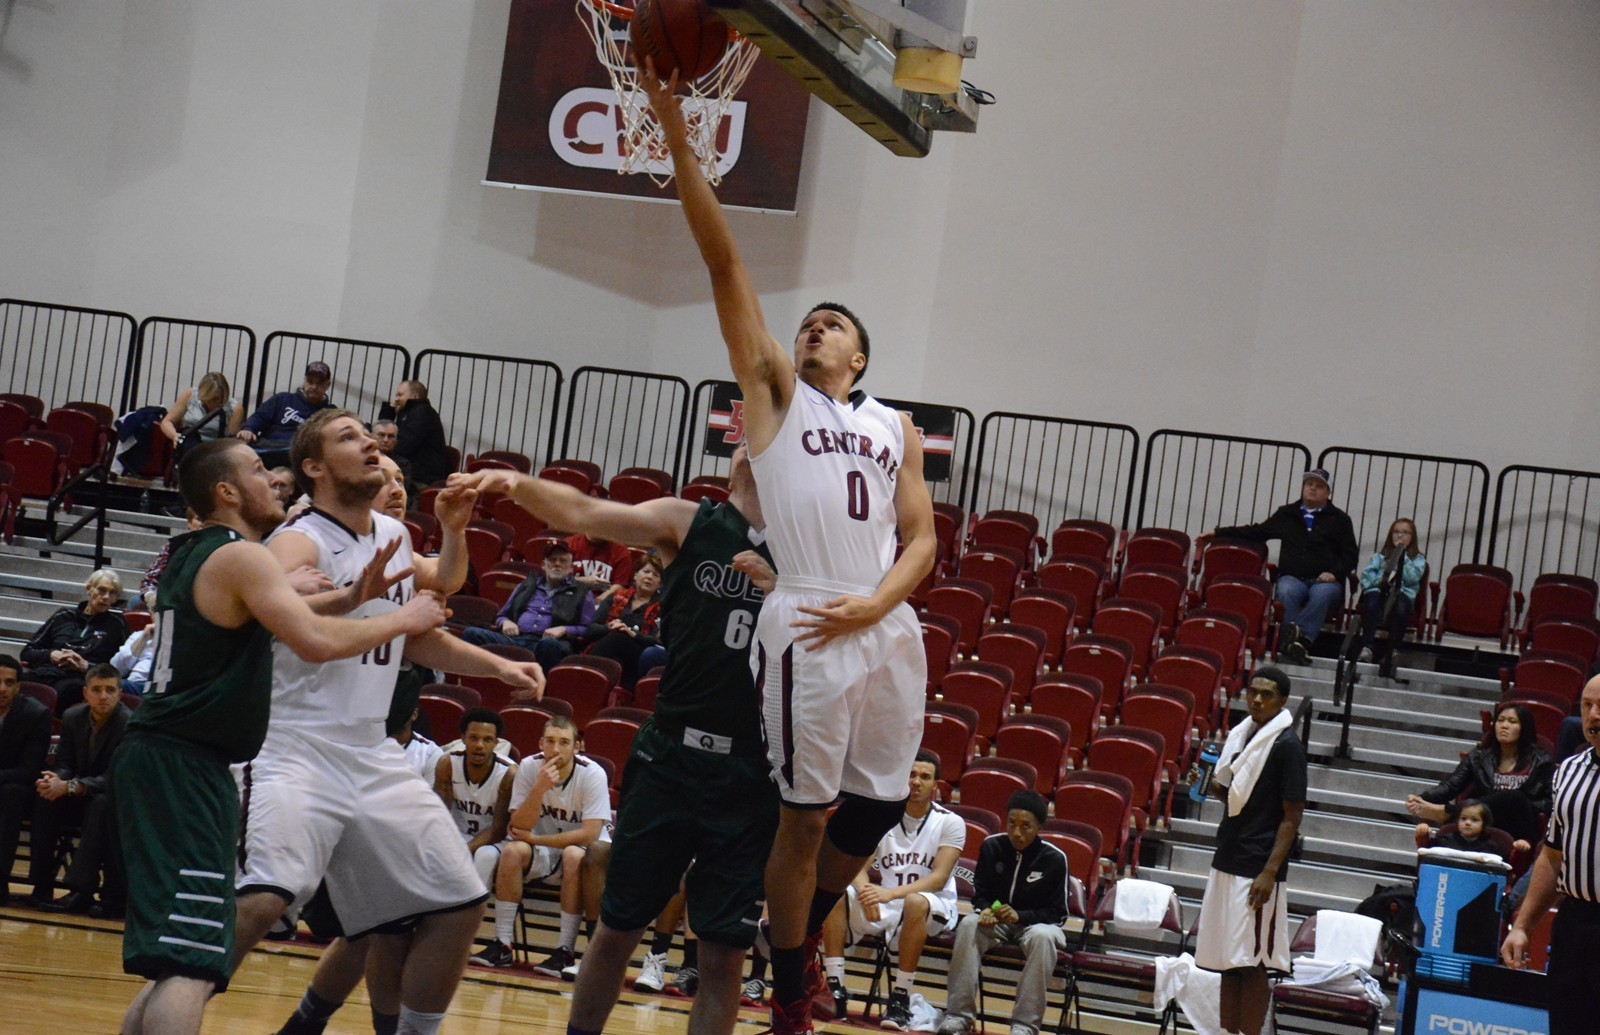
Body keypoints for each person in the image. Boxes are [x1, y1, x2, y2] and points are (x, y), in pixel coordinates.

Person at [641, 65, 937, 1035]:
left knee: (876, 806)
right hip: (808, 614)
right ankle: (790, 996)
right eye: (809, 321)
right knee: (805, 816)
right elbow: (725, 263)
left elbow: (924, 538)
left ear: (860, 358)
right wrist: (676, 129)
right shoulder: (774, 393)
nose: (816, 327)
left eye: (834, 325)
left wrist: (880, 602)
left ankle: (795, 934)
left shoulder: (894, 425)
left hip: (883, 618)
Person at [110, 437, 452, 1035]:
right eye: (256, 470)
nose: (275, 479)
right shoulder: (242, 556)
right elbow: (313, 642)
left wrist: (352, 597)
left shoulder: (196, 552)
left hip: (171, 758)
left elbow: (282, 612)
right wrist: (403, 618)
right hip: (183, 761)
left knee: (181, 960)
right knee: (193, 965)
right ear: (226, 492)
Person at [229, 410, 544, 1035]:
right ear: (313, 467)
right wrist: (381, 612)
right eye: (349, 437)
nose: (370, 442)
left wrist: (498, 665)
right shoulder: (298, 541)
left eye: (368, 435)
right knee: (264, 900)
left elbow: (430, 606)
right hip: (292, 745)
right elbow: (293, 622)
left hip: (369, 752)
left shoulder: (392, 534)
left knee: (458, 901)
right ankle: (180, 988)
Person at [450, 447, 778, 1035]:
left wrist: (784, 591)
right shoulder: (688, 521)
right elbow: (582, 511)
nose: (754, 446)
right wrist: (516, 484)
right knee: (617, 928)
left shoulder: (809, 548)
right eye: (747, 438)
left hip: (750, 766)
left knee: (723, 953)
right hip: (672, 753)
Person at [1193, 665, 1307, 1035]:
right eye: (1253, 692)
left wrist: (1269, 872)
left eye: (1267, 694)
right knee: (1228, 961)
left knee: (1252, 962)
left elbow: (1292, 816)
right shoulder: (1241, 735)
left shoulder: (1288, 747)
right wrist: (1209, 783)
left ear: (1282, 701)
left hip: (1258, 866)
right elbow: (1236, 799)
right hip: (1228, 856)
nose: (1256, 699)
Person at [823, 750, 964, 1031]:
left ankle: (900, 998)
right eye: (911, 774)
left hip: (934, 905)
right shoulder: (884, 817)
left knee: (915, 901)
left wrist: (890, 894)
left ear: (935, 786)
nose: (916, 781)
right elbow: (857, 866)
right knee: (839, 892)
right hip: (889, 902)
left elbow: (938, 879)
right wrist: (865, 890)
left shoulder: (950, 822)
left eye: (924, 777)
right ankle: (834, 986)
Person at [468, 714, 610, 977]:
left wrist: (535, 839)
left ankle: (564, 950)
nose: (556, 749)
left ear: (577, 747)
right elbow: (518, 824)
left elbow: (589, 835)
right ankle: (502, 944)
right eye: (550, 741)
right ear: (541, 744)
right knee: (511, 851)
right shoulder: (529, 766)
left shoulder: (593, 774)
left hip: (581, 852)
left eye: (564, 742)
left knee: (572, 856)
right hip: (542, 849)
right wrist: (539, 789)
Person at [1502, 676, 1600, 1035]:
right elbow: (1552, 856)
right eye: (1587, 706)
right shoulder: (1569, 772)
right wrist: (1523, 926)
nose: (1593, 715)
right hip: (1575, 922)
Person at [935, 790, 1069, 1035]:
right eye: (1012, 824)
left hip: (1036, 926)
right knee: (969, 924)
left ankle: (1024, 1026)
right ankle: (958, 1016)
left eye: (1025, 826)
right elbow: (981, 893)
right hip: (998, 922)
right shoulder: (991, 846)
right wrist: (990, 909)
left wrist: (1021, 916)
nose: (1017, 832)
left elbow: (1058, 914)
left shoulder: (1054, 859)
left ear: (1039, 827)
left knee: (1043, 937)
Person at [1210, 468, 1358, 663]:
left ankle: (1298, 639)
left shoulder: (1340, 520)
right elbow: (1258, 531)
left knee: (1322, 594)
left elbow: (1350, 555)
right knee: (1286, 591)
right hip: (1293, 577)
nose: (1312, 489)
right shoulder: (1287, 513)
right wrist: (1218, 533)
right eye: (1309, 484)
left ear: (1328, 493)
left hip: (1325, 580)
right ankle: (1298, 643)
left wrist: (1334, 573)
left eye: (1319, 486)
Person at [30, 663, 130, 916]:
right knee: (45, 797)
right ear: (85, 693)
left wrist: (71, 786)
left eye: (110, 690)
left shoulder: (130, 724)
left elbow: (116, 777)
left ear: (120, 694)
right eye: (97, 690)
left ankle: (80, 891)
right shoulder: (72, 717)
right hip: (81, 792)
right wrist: (55, 781)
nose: (103, 696)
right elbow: (65, 763)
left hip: (118, 800)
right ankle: (41, 885)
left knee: (101, 804)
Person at [1404, 701, 1553, 846]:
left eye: (1512, 721)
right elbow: (1450, 786)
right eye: (1500, 720)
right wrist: (1421, 798)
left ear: (1524, 728)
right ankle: (1451, 815)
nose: (1504, 725)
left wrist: (1523, 804)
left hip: (1519, 826)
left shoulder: (1541, 761)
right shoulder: (1479, 757)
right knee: (1479, 810)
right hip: (1482, 824)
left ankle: (1449, 813)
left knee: (1514, 797)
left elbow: (1550, 802)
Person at [458, 540, 598, 669]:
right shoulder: (526, 585)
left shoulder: (582, 592)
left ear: (571, 568)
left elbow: (589, 629)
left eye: (563, 561)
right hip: (515, 638)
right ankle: (470, 680)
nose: (557, 564)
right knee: (472, 633)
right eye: (552, 560)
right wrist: (506, 622)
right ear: (543, 565)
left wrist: (564, 629)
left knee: (549, 645)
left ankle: (541, 686)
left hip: (545, 643)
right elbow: (501, 615)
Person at [19, 567, 130, 711]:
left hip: (79, 678)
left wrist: (86, 666)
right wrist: (51, 655)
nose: (106, 597)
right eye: (101, 590)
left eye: (112, 593)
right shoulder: (63, 615)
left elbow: (123, 667)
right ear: (89, 589)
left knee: (71, 689)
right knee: (15, 682)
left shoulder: (117, 624)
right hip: (46, 671)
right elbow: (27, 652)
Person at [436, 707, 518, 891]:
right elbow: (440, 816)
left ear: (496, 743)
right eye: (473, 738)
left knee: (484, 856)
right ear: (463, 739)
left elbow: (498, 830)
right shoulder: (447, 764)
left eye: (487, 739)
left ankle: (477, 904)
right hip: (460, 832)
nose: (479, 745)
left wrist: (466, 850)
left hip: (495, 839)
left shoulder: (509, 773)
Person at [0, 653, 52, 907]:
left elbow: (29, 770)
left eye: (9, 682)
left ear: (19, 687)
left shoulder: (36, 714)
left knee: (11, 794)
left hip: (21, 788)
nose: (2, 688)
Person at [1354, 517, 1428, 667]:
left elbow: (1412, 578)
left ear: (1412, 537)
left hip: (1402, 593)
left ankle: (1394, 650)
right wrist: (1381, 581)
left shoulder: (1418, 559)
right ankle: (1367, 646)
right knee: (1372, 605)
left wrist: (1402, 556)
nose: (1400, 536)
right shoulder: (1379, 556)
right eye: (1396, 532)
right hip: (1378, 590)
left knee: (1400, 610)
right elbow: (1366, 578)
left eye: (1405, 532)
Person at [582, 554, 663, 689]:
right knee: (615, 639)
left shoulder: (663, 607)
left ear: (660, 584)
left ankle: (587, 679)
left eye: (655, 575)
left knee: (618, 637)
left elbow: (658, 641)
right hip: (609, 647)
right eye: (646, 571)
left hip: (639, 653)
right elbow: (590, 630)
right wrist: (609, 627)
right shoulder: (615, 597)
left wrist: (634, 635)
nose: (649, 577)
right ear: (635, 575)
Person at [237, 361, 337, 449]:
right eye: (310, 381)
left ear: (328, 385)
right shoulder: (282, 399)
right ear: (304, 381)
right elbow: (260, 417)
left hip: (302, 454)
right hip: (269, 448)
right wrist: (248, 429)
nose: (314, 387)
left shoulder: (330, 413)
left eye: (320, 383)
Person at [377, 380, 452, 487]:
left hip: (421, 478)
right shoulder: (409, 413)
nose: (396, 399)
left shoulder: (423, 413)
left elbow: (403, 446)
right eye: (396, 395)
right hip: (410, 473)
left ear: (415, 396)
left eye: (400, 395)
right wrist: (390, 409)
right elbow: (383, 428)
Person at [158, 370, 243, 451]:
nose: (213, 402)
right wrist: (175, 436)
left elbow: (231, 441)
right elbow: (167, 422)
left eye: (217, 399)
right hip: (190, 441)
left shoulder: (234, 408)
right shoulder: (190, 395)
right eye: (210, 398)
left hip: (215, 446)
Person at [1415, 799, 1514, 862]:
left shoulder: (1492, 849)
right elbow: (1425, 856)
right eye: (1463, 818)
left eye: (1474, 820)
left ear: (1484, 824)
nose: (1468, 823)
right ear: (1457, 821)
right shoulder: (1444, 841)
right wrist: (1423, 834)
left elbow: (1510, 868)